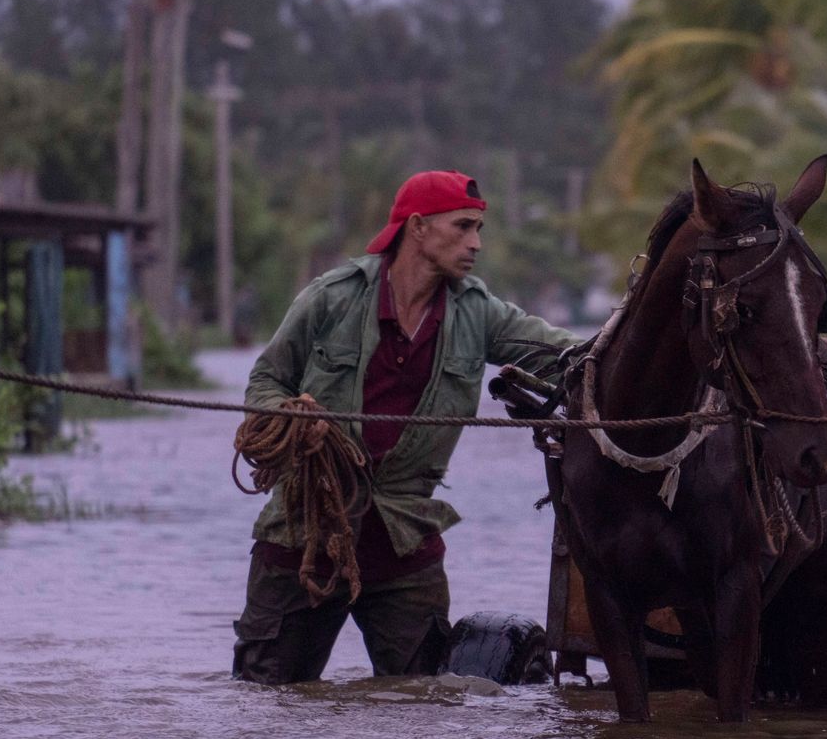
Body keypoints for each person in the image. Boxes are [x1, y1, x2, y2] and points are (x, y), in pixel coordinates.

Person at [231, 170, 580, 685]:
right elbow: (266, 379)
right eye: (463, 227)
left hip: (404, 545)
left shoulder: (479, 313)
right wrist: (288, 416)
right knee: (268, 703)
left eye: (479, 229)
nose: (476, 243)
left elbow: (568, 358)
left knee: (421, 708)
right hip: (304, 536)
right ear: (417, 227)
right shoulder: (331, 298)